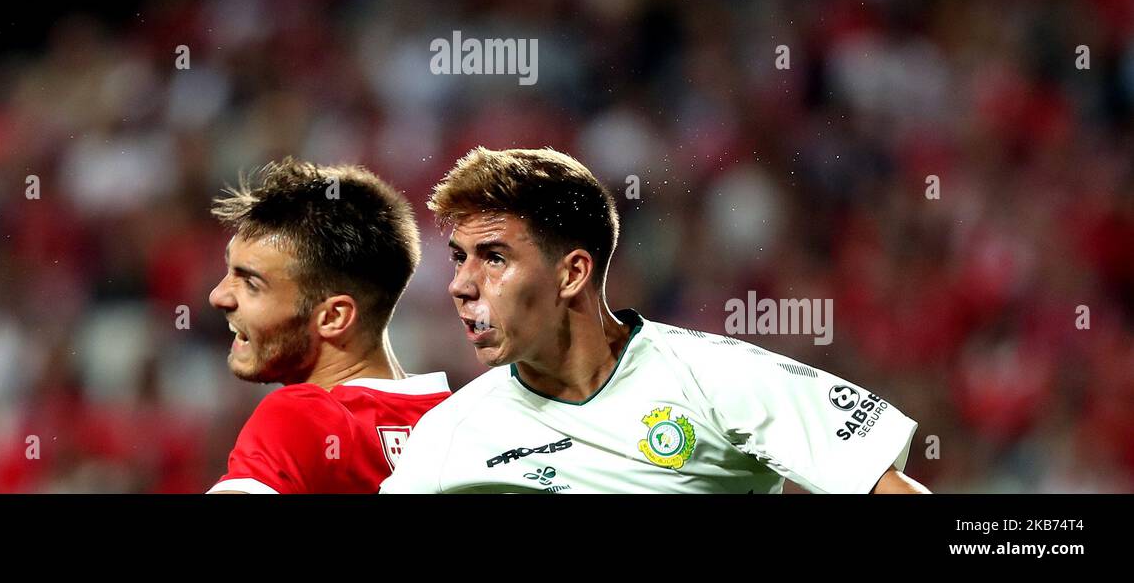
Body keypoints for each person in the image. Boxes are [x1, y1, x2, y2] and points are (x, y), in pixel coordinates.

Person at [381, 147, 929, 494]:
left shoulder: (714, 377)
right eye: (459, 257)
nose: (460, 284)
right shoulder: (450, 434)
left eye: (493, 257)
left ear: (571, 273)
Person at [207, 158, 449, 493]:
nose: (218, 296)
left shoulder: (298, 416)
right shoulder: (462, 423)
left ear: (334, 317)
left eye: (251, 283)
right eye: (228, 271)